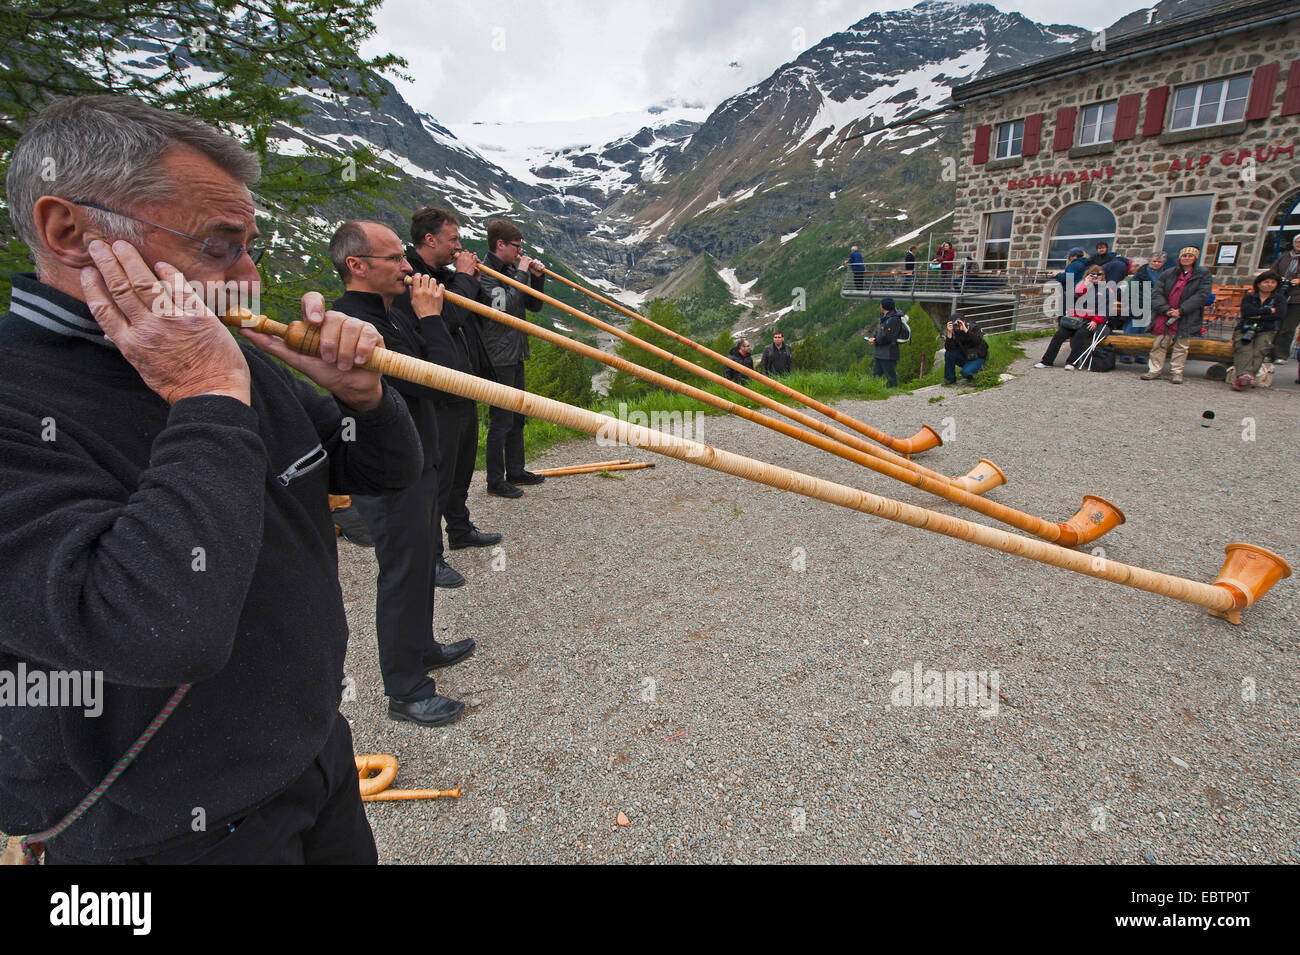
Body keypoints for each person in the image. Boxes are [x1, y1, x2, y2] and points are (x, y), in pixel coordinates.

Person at [0, 95, 425, 864]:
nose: (249, 278)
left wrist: (363, 397)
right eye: (219, 246)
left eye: (249, 245)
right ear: (70, 232)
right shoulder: (23, 399)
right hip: (149, 836)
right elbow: (152, 627)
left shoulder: (230, 355)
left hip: (314, 758)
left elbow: (380, 468)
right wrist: (202, 396)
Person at [330, 219, 474, 730]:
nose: (407, 266)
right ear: (358, 265)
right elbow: (440, 383)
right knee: (401, 572)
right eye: (395, 258)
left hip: (420, 459)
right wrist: (430, 317)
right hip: (388, 473)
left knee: (419, 565)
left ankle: (422, 648)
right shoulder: (349, 322)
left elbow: (451, 365)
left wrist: (431, 314)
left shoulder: (395, 313)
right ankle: (405, 690)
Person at [396, 206, 500, 589]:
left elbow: (478, 316)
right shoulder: (413, 277)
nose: (459, 246)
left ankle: (459, 528)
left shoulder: (445, 276)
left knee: (461, 469)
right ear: (430, 240)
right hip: (436, 392)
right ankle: (432, 556)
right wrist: (466, 279)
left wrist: (470, 279)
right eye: (453, 239)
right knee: (436, 477)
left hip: (463, 384)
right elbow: (447, 319)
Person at [476, 219, 546, 498]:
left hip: (515, 351)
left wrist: (537, 277)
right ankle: (495, 480)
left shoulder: (507, 269)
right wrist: (520, 272)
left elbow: (534, 304)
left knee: (518, 416)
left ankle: (516, 470)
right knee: (501, 419)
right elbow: (503, 306)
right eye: (516, 247)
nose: (520, 252)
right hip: (497, 355)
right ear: (500, 244)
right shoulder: (485, 272)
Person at [1144, 246, 1211, 384]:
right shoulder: (1168, 273)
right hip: (1165, 313)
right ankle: (1154, 370)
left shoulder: (1203, 274)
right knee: (1159, 343)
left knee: (1181, 345)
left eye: (1190, 256)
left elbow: (1202, 295)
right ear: (1180, 258)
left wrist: (1181, 310)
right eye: (1184, 256)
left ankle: (1177, 372)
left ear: (1195, 259)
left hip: (1187, 314)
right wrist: (1166, 309)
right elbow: (1157, 292)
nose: (1186, 258)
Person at [1230, 270, 1287, 390]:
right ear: (1259, 283)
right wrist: (1268, 311)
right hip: (1246, 327)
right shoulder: (1249, 298)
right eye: (1266, 282)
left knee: (1259, 351)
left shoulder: (1279, 299)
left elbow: (1279, 315)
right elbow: (1246, 312)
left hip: (1267, 329)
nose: (1269, 284)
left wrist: (1258, 315)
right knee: (1244, 350)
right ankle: (1243, 376)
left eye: (1272, 282)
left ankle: (1246, 378)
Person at [1035, 248, 1090, 368]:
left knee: (1066, 326)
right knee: (1062, 332)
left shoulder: (1075, 264)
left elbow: (1067, 278)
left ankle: (1066, 361)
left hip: (1073, 299)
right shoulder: (1085, 264)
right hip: (1076, 300)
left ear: (1073, 256)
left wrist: (1057, 275)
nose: (1068, 259)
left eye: (1069, 257)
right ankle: (1050, 360)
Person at [1060, 265, 1110, 370]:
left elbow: (1104, 308)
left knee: (1080, 335)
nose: (1096, 277)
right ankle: (1046, 361)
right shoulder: (1083, 286)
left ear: (1103, 276)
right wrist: (1086, 283)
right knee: (1059, 334)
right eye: (1092, 274)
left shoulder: (1106, 289)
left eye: (1099, 274)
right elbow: (1074, 298)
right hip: (1077, 318)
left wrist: (1096, 321)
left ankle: (1072, 362)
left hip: (1091, 320)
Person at [1269, 233, 1300, 374]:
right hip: (1281, 295)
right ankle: (1269, 352)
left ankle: (1281, 355)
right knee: (1275, 325)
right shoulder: (1284, 256)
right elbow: (1272, 271)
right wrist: (1278, 278)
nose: (1299, 243)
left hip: (1297, 298)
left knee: (1288, 328)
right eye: (1297, 241)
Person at [867, 297, 903, 387]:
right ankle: (873, 391)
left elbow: (887, 337)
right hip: (880, 352)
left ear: (883, 306)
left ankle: (894, 392)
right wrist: (875, 339)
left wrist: (876, 340)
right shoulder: (886, 318)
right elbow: (882, 334)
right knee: (875, 375)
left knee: (891, 376)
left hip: (888, 353)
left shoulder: (893, 319)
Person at [942, 312, 987, 384]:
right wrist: (949, 333)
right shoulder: (954, 333)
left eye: (958, 323)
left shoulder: (974, 328)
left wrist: (966, 330)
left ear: (964, 321)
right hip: (966, 357)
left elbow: (978, 341)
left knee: (965, 373)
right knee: (948, 353)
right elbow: (949, 349)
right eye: (954, 324)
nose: (956, 326)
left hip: (978, 357)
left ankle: (979, 370)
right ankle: (950, 378)